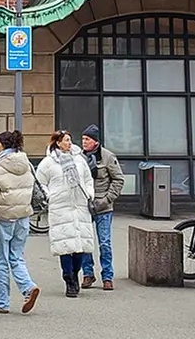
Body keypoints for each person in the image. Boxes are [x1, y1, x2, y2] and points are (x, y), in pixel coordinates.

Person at [0, 130, 42, 314]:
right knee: (16, 256)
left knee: (2, 259)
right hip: (23, 215)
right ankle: (27, 287)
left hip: (4, 216)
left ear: (4, 145)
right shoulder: (26, 163)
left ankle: (2, 302)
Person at [37, 129, 99, 299]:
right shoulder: (48, 163)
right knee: (65, 246)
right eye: (66, 140)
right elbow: (40, 182)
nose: (69, 143)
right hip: (60, 207)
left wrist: (89, 193)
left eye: (70, 140)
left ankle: (75, 274)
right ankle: (68, 278)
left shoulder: (79, 159)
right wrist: (49, 196)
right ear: (58, 142)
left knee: (79, 246)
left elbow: (87, 179)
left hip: (80, 206)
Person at [79, 124, 124, 290]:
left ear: (95, 141)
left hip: (103, 207)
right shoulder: (79, 158)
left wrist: (106, 199)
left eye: (87, 139)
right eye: (83, 139)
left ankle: (107, 277)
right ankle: (88, 274)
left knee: (104, 243)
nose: (83, 142)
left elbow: (118, 180)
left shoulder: (107, 157)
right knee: (85, 243)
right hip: (84, 206)